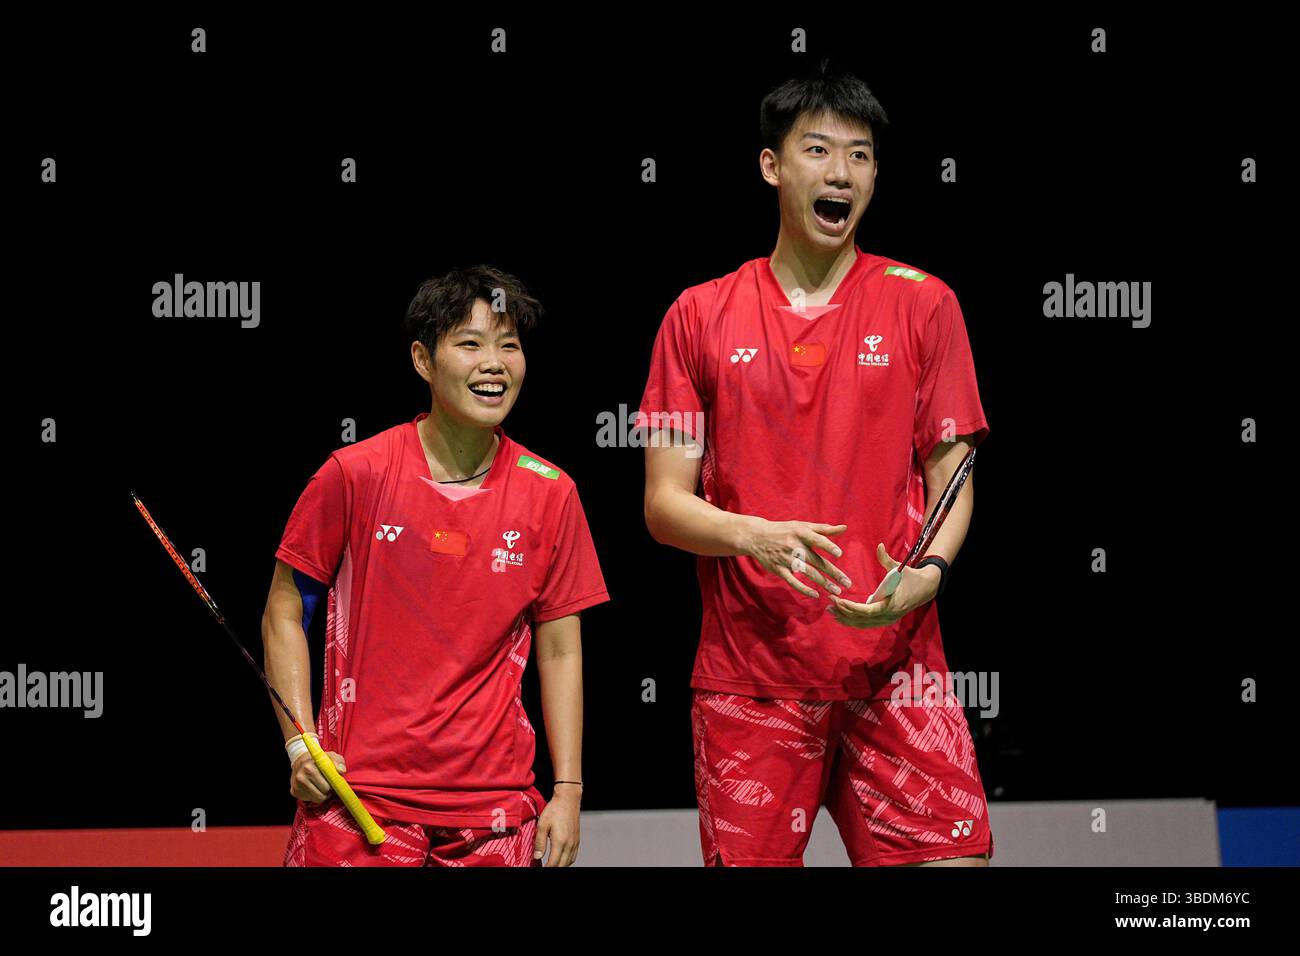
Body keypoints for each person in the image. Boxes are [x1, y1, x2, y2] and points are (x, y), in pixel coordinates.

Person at [638, 62, 994, 866]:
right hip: (750, 679)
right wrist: (753, 535)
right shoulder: (696, 314)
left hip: (897, 668)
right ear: (772, 166)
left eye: (861, 156)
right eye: (820, 150)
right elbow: (664, 503)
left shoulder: (924, 302)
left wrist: (929, 570)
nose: (842, 173)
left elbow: (955, 475)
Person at [263, 264, 608, 867]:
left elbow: (561, 649)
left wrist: (568, 791)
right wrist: (299, 743)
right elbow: (286, 609)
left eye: (509, 345)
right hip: (359, 800)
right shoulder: (356, 473)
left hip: (495, 813)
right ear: (423, 360)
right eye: (470, 344)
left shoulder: (552, 492)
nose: (495, 363)